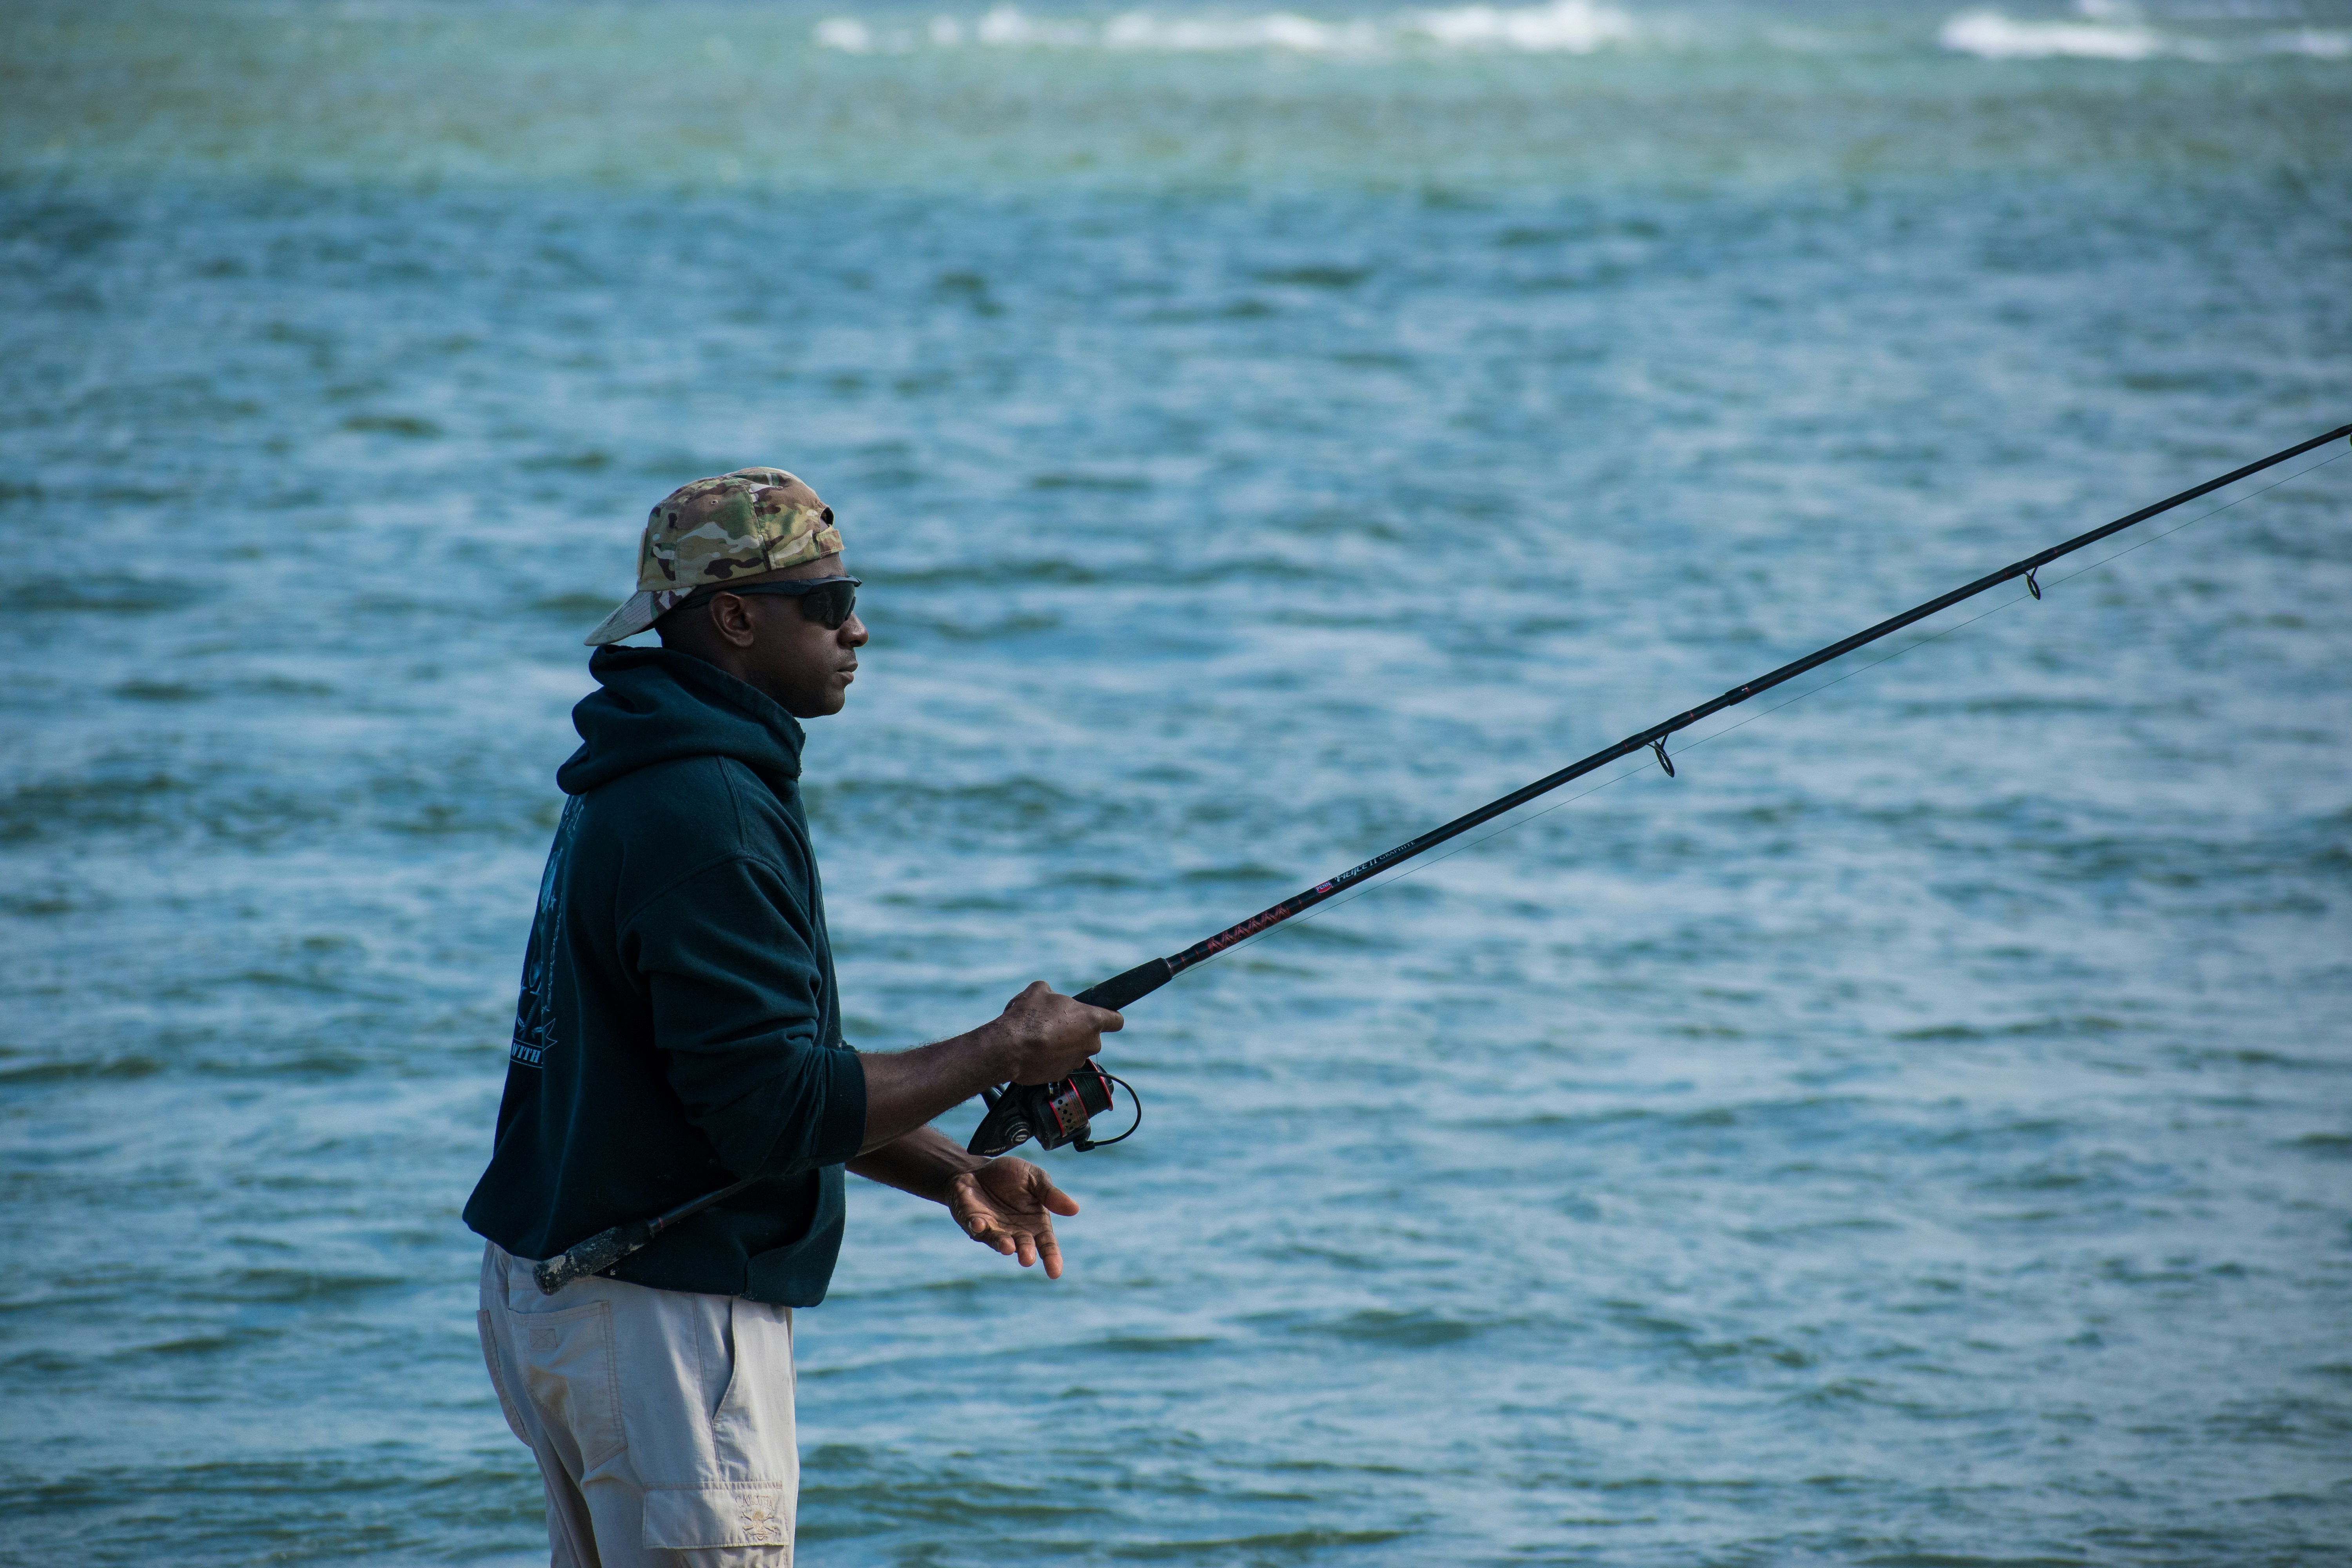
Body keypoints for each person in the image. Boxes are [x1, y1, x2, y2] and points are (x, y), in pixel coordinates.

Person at [464, 467, 1120, 1566]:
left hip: (567, 1295)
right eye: (829, 601)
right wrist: (1006, 1048)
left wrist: (955, 1171)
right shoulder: (710, 812)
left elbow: (726, 1082)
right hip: (666, 1325)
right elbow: (773, 1111)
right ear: (733, 618)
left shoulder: (641, 775)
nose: (856, 629)